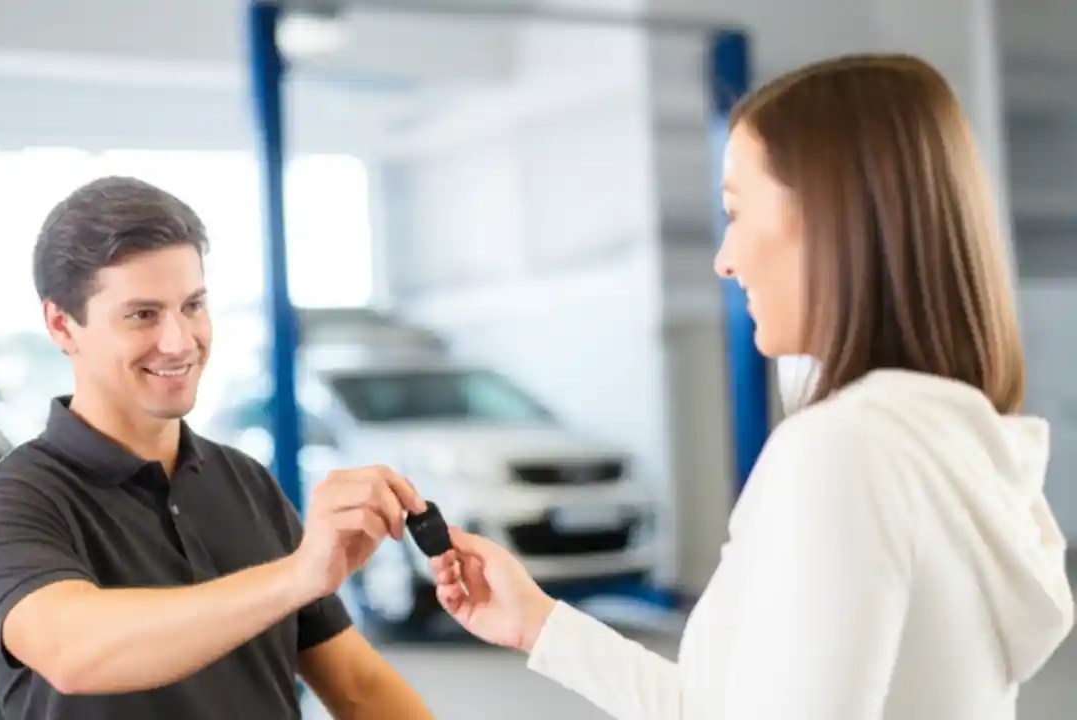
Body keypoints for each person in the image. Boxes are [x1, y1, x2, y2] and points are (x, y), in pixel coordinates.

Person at [430, 54, 1075, 719]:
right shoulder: (961, 448)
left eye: (736, 212)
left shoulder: (841, 450)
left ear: (828, 215)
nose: (724, 257)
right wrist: (541, 625)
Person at [0, 176, 435, 719]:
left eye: (192, 305)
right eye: (143, 314)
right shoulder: (12, 501)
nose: (180, 341)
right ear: (63, 325)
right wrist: (297, 576)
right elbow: (73, 651)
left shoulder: (245, 481)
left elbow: (357, 685)